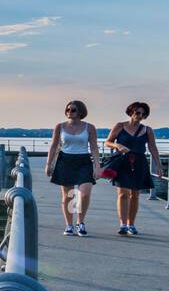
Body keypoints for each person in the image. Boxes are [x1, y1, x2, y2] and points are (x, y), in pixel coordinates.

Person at [105, 101, 161, 235]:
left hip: (139, 162)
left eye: (143, 114)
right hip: (123, 161)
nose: (140, 116)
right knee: (123, 193)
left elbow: (152, 147)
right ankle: (123, 224)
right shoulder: (120, 126)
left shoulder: (147, 130)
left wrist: (158, 165)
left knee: (135, 195)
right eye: (137, 113)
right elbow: (108, 142)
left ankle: (132, 224)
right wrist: (118, 146)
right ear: (131, 112)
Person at [45, 100, 99, 235]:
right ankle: (69, 225)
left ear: (81, 112)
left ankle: (80, 222)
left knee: (84, 193)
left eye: (73, 110)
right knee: (69, 196)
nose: (69, 112)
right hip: (65, 160)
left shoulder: (89, 127)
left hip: (84, 161)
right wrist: (49, 164)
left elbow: (94, 147)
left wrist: (97, 167)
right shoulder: (60, 127)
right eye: (68, 109)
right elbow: (53, 146)